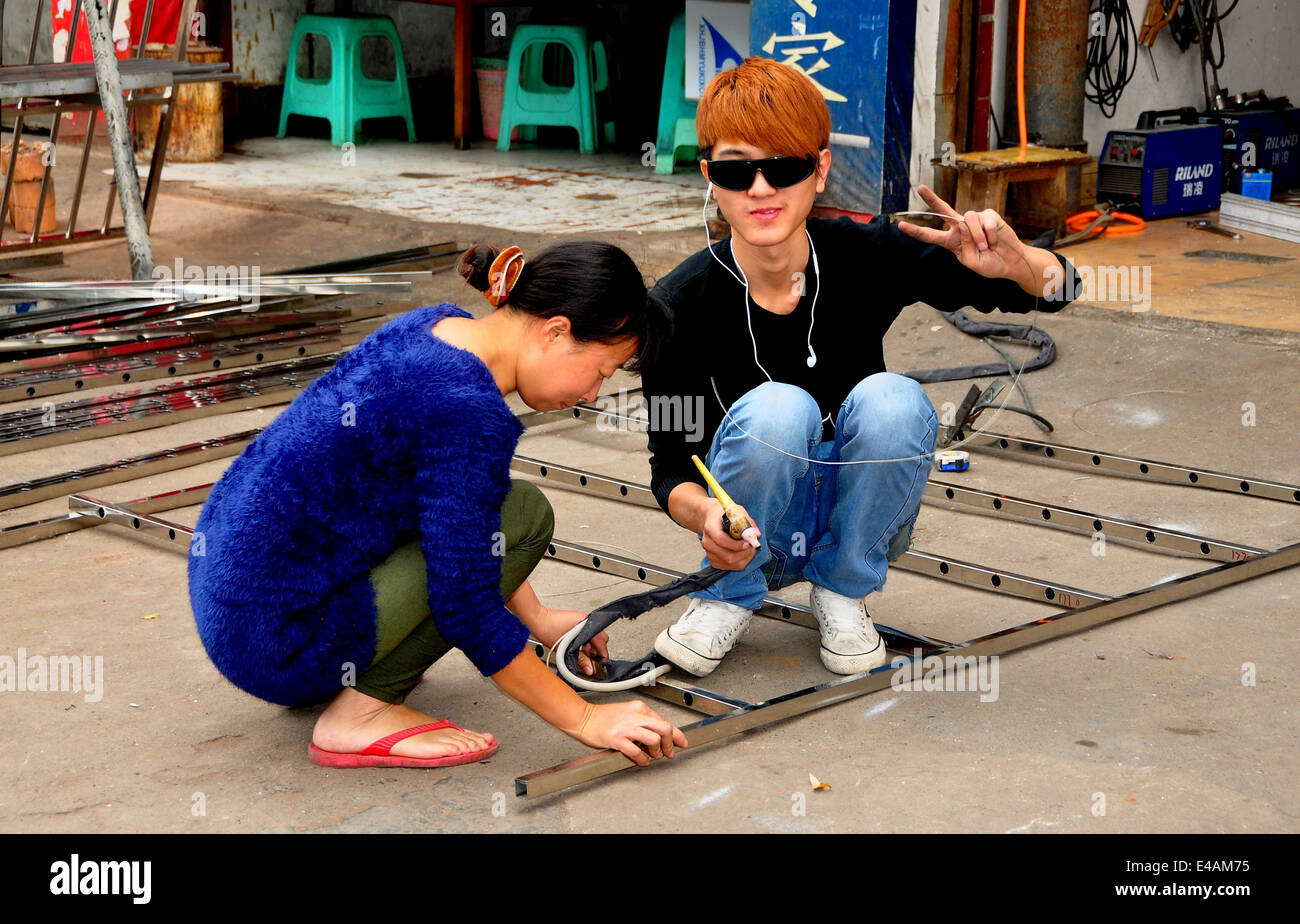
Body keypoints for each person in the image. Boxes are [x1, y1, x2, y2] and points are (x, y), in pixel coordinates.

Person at [644, 57, 1080, 677]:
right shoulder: (676, 305)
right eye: (739, 170)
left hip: (859, 512)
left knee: (894, 400)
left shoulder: (867, 253)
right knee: (779, 407)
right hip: (748, 531)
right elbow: (670, 466)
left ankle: (843, 590)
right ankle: (726, 595)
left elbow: (1060, 290)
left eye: (785, 166)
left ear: (820, 169)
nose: (761, 190)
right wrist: (706, 518)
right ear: (710, 175)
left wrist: (1020, 266)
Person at [188, 241, 687, 768]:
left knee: (497, 508)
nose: (592, 392)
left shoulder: (435, 328)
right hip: (277, 645)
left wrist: (537, 618)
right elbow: (465, 603)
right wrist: (584, 717)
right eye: (602, 370)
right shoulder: (466, 412)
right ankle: (359, 714)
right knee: (524, 515)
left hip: (236, 606)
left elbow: (453, 515)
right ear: (556, 331)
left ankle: (363, 661)